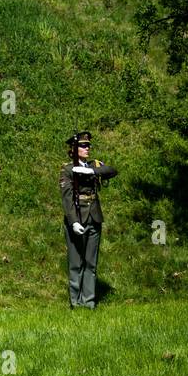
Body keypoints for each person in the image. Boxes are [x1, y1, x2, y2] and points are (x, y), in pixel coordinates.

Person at [59, 130, 118, 309]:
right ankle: (75, 303)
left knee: (91, 263)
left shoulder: (94, 165)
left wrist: (90, 170)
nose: (87, 148)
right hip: (78, 219)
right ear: (74, 148)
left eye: (88, 145)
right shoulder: (67, 169)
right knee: (76, 262)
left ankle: (89, 301)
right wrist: (73, 221)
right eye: (83, 145)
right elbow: (67, 198)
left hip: (94, 217)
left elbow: (112, 171)